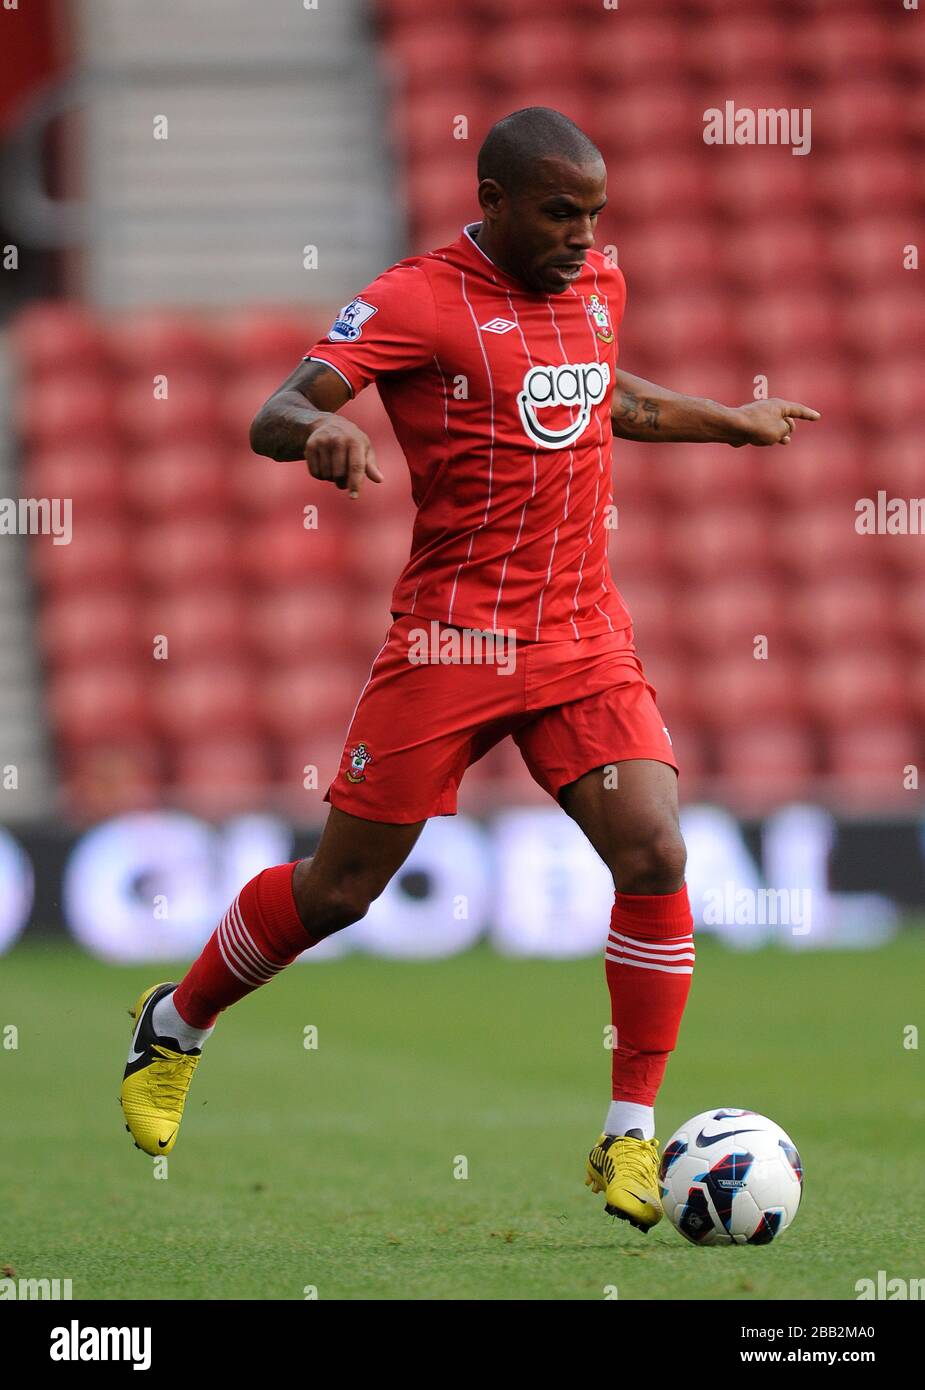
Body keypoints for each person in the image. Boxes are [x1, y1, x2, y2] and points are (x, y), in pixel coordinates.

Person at [120, 107, 819, 1233]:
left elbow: (607, 398)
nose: (582, 236)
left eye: (594, 214)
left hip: (582, 632)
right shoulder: (412, 300)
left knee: (654, 845)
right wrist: (322, 434)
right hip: (453, 638)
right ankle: (177, 1023)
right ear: (491, 201)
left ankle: (628, 1137)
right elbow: (274, 410)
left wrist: (727, 424)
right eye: (558, 212)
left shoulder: (598, 285)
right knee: (339, 891)